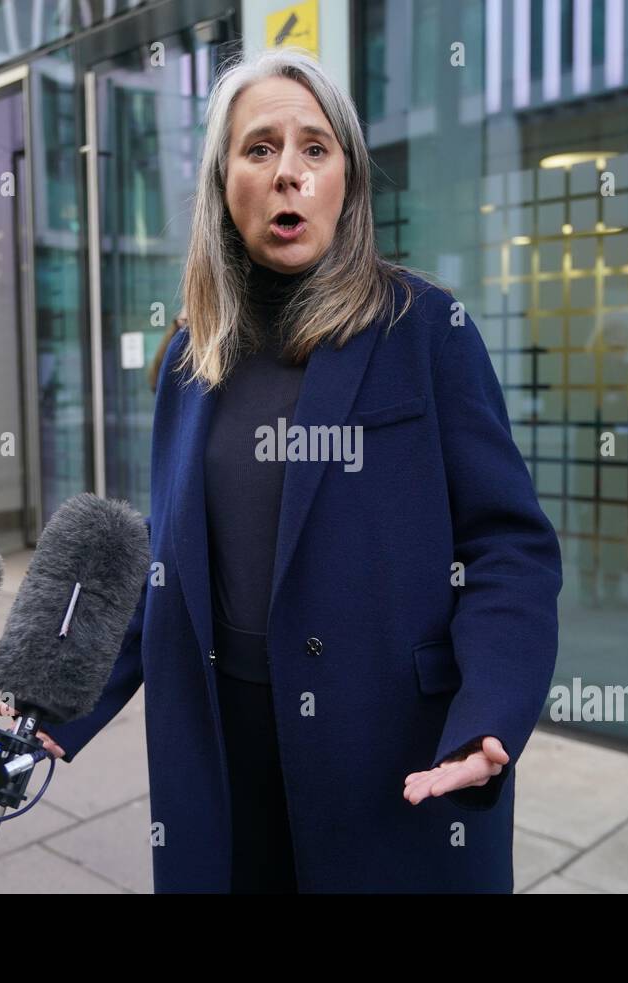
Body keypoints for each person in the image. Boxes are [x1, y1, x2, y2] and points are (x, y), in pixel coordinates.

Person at [40, 47, 562, 893]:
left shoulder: (426, 329)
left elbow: (510, 547)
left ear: (347, 183)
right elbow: (167, 564)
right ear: (222, 185)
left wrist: (489, 713)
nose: (289, 172)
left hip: (391, 752)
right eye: (260, 148)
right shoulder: (189, 355)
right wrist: (62, 708)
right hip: (220, 757)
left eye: (315, 149)